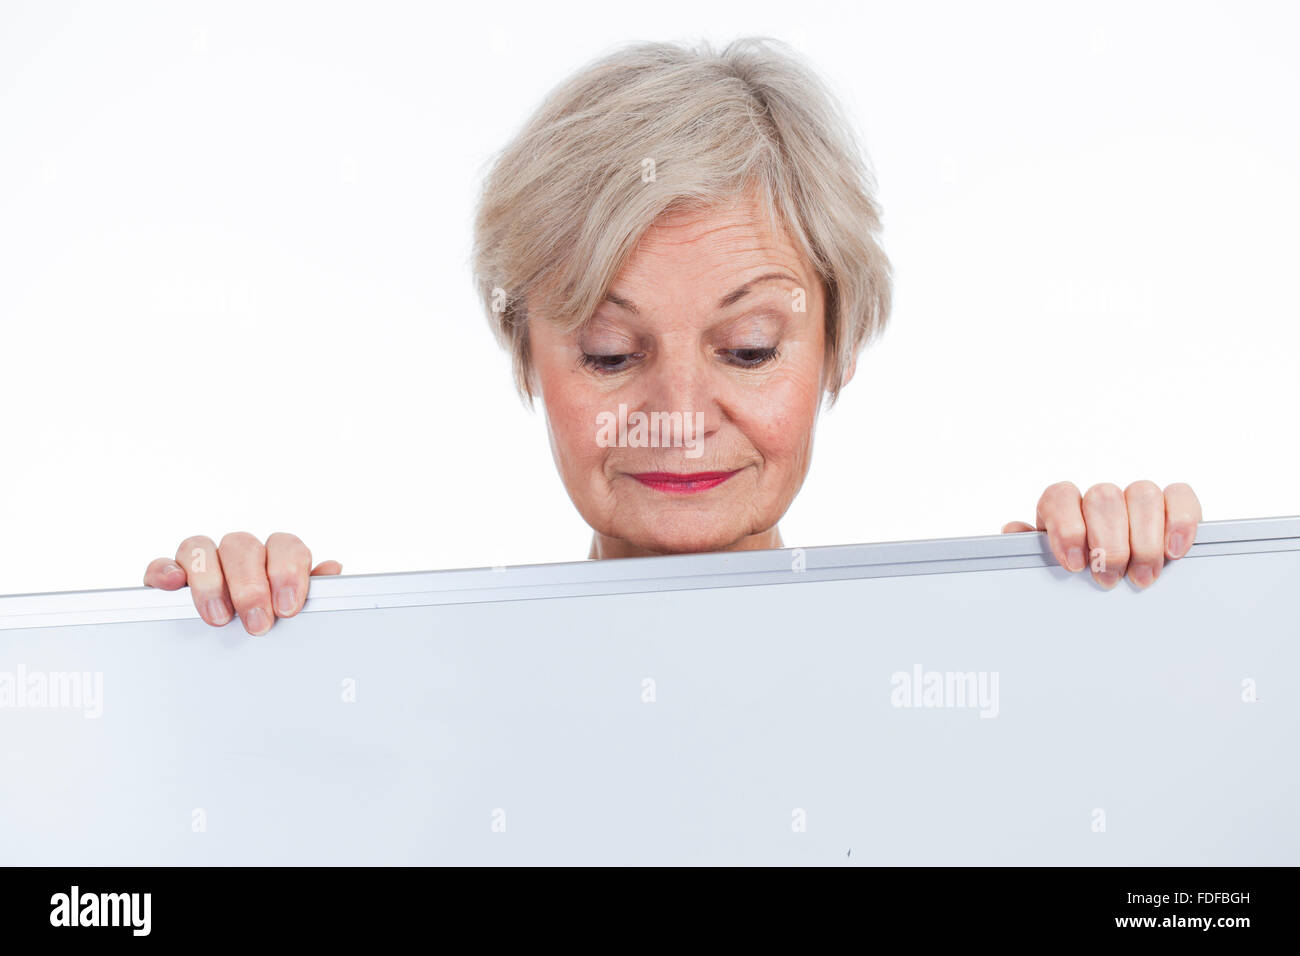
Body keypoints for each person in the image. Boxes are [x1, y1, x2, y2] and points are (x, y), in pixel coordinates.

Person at [143, 37, 1201, 635]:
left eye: (747, 347)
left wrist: (1118, 639)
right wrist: (226, 676)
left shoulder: (966, 662)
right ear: (529, 359)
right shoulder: (416, 691)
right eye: (609, 354)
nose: (680, 418)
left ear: (834, 347)